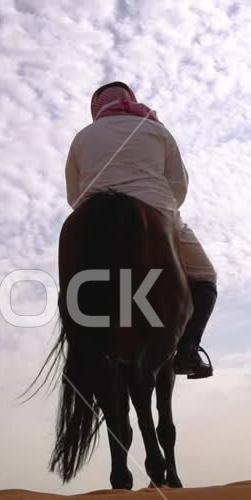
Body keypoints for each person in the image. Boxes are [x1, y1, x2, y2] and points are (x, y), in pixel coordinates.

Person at [64, 82, 217, 379]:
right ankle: (188, 349)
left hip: (95, 218)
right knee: (206, 275)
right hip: (156, 207)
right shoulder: (157, 130)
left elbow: (74, 195)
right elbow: (179, 185)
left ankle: (82, 340)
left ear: (97, 109)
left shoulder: (82, 137)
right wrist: (163, 213)